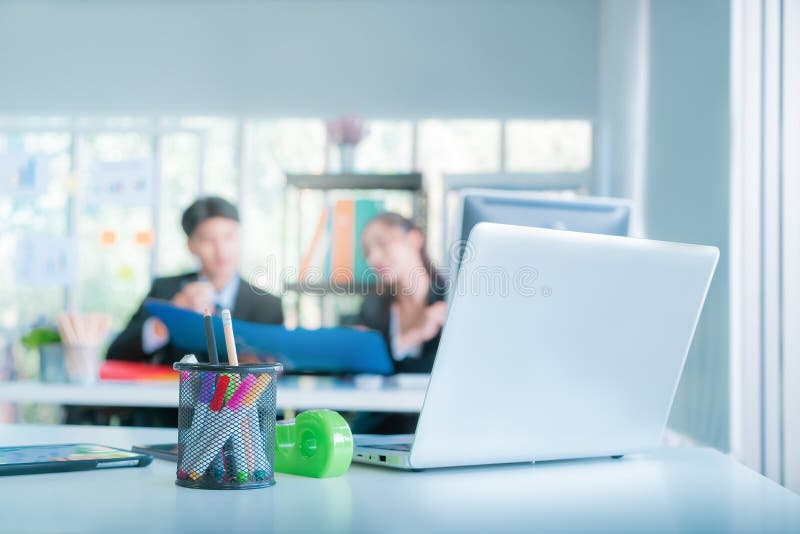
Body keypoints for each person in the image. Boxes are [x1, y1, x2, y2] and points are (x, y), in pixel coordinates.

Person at [106, 196, 283, 365]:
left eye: (229, 236)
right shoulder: (165, 291)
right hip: (176, 395)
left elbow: (286, 370)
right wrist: (170, 317)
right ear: (191, 246)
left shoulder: (268, 306)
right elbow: (116, 354)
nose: (221, 250)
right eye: (208, 240)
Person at [352, 213, 447, 433]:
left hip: (437, 427)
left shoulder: (452, 301)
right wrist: (410, 336)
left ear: (414, 239)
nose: (374, 258)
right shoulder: (372, 307)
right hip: (380, 430)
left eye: (383, 244)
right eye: (367, 252)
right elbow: (365, 380)